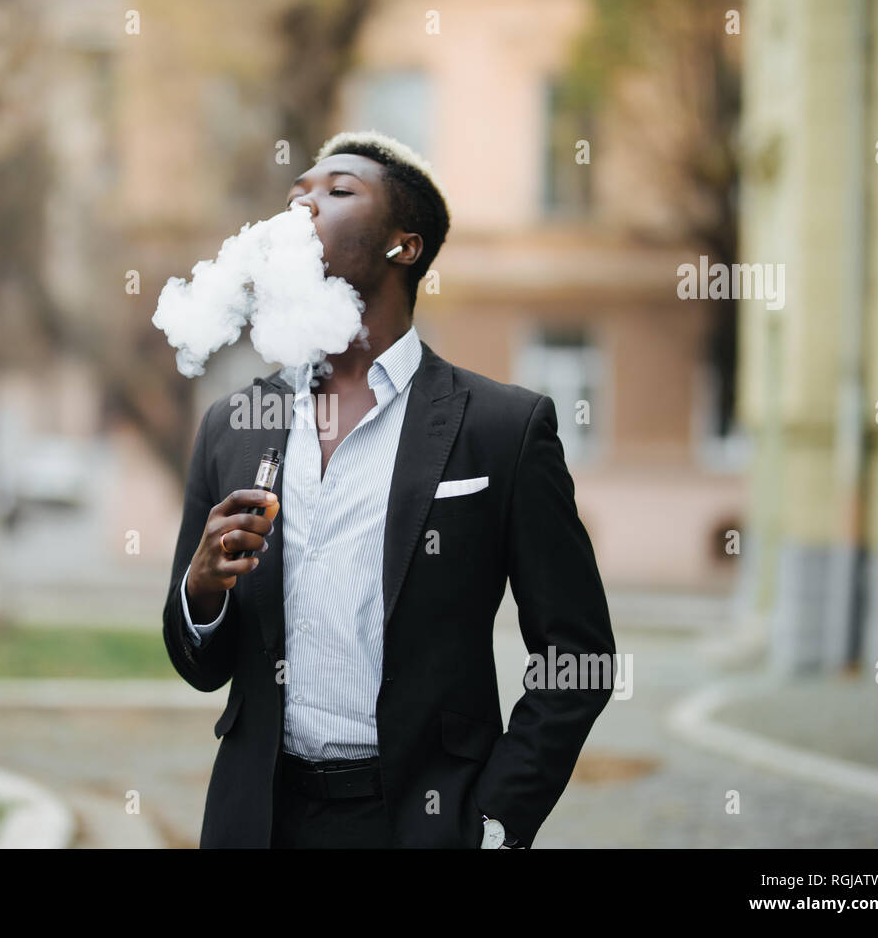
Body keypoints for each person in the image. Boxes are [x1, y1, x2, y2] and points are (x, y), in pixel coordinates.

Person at [161, 129, 616, 848]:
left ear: (403, 246)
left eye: (338, 192)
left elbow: (579, 655)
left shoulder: (503, 428)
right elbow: (200, 666)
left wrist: (497, 822)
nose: (302, 207)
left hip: (422, 823)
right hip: (261, 821)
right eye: (296, 195)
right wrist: (202, 589)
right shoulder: (235, 425)